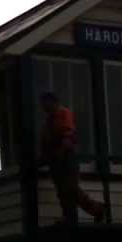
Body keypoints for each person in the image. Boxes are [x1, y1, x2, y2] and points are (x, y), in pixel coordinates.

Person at [40, 92, 103, 224]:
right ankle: (69, 217)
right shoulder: (49, 120)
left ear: (53, 102)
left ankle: (95, 208)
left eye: (46, 104)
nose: (44, 107)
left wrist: (61, 151)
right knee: (62, 191)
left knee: (70, 187)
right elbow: (46, 140)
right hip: (56, 160)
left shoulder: (64, 113)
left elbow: (68, 134)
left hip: (67, 157)